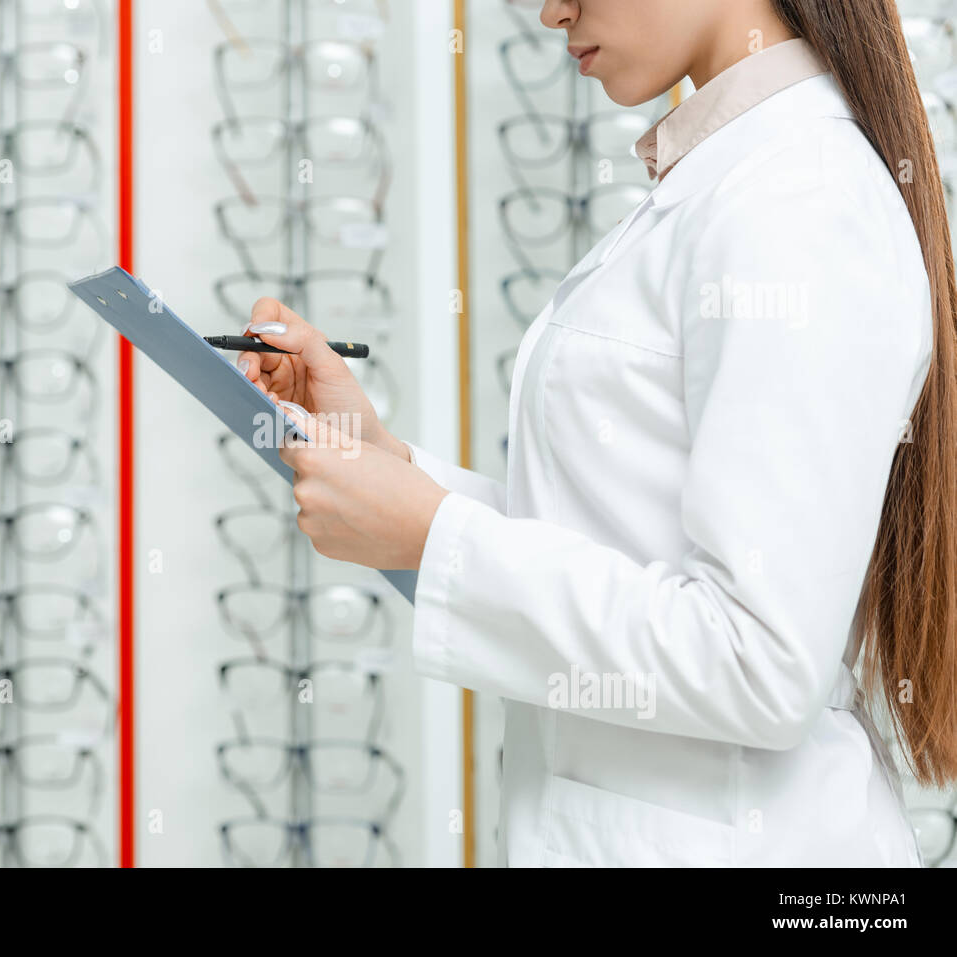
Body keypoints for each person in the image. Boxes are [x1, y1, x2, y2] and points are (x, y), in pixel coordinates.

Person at [233, 0, 957, 866]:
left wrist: (434, 534)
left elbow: (759, 662)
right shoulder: (730, 178)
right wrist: (390, 469)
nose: (552, 12)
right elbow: (618, 536)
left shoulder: (801, 200)